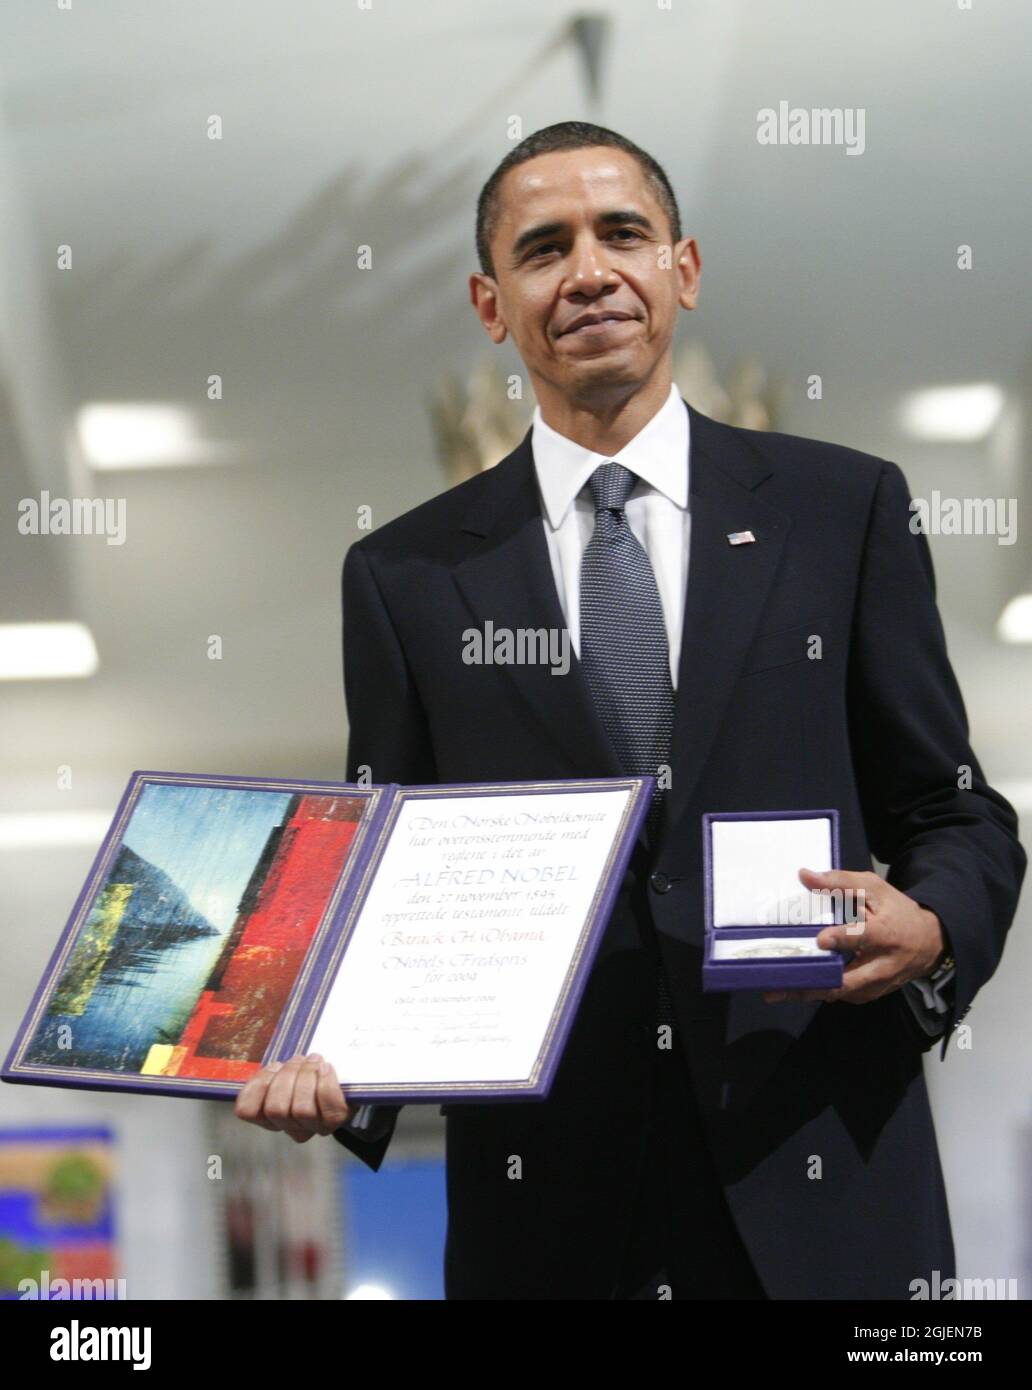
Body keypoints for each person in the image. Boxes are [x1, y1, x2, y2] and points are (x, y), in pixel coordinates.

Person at [235, 121, 1026, 1300]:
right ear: (491, 304)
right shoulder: (403, 578)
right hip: (550, 1216)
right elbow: (391, 879)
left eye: (624, 234)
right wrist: (337, 1063)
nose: (589, 271)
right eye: (544, 248)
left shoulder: (840, 510)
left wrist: (936, 929)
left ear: (683, 269)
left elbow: (957, 814)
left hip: (822, 1177)